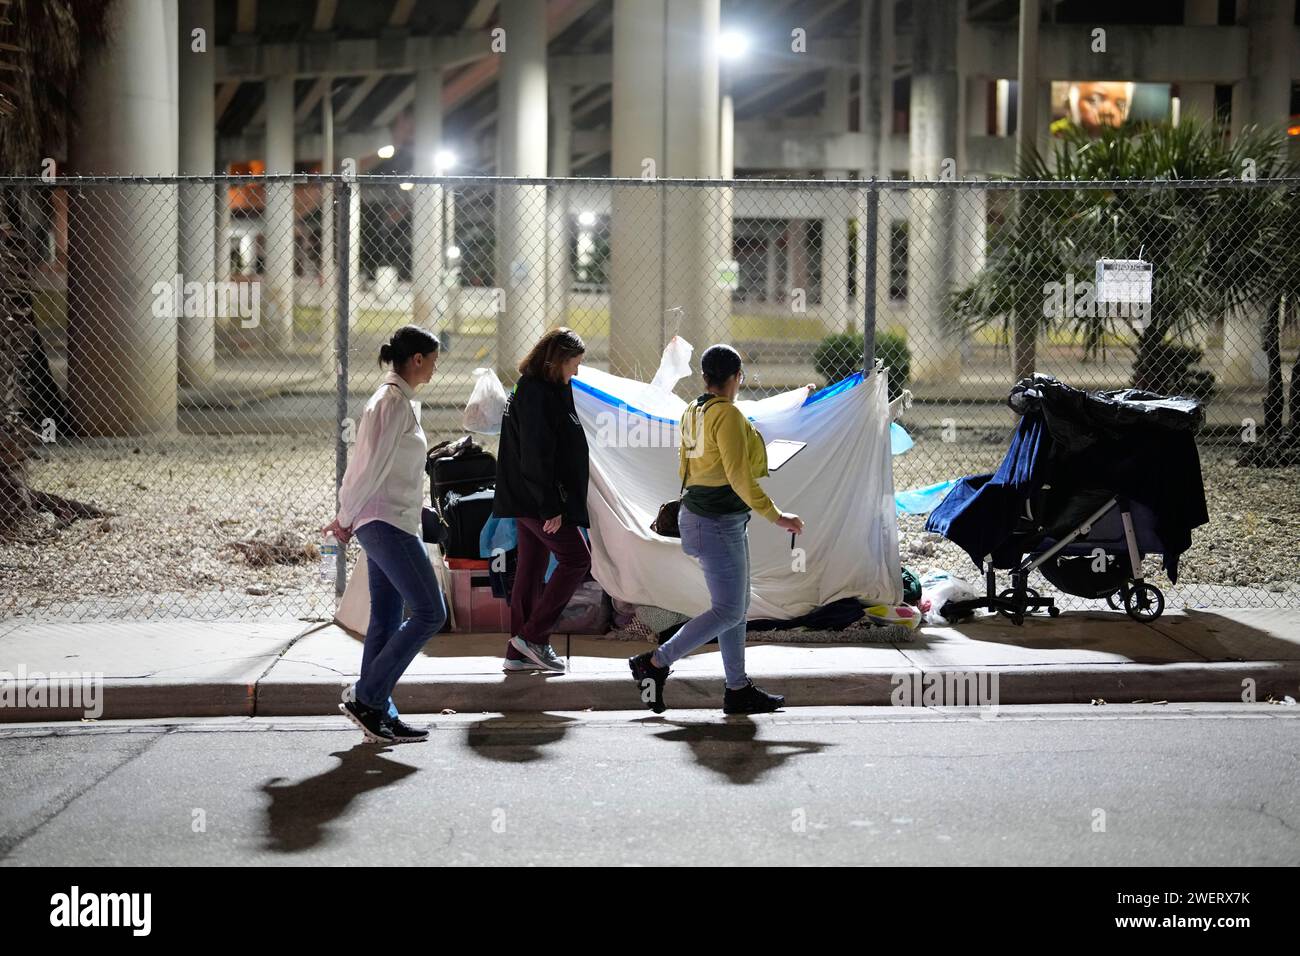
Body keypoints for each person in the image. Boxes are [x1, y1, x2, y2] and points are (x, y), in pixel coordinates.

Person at [630, 344, 804, 715]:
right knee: (728, 611)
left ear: (706, 377)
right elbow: (739, 477)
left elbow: (701, 468)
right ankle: (655, 663)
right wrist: (778, 517)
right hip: (716, 523)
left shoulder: (694, 410)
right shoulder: (726, 414)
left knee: (735, 609)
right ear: (737, 377)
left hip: (706, 518)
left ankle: (737, 689)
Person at [323, 325, 446, 744]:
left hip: (389, 520)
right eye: (433, 359)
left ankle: (379, 712)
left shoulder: (398, 401)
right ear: (416, 360)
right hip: (384, 522)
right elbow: (365, 467)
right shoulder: (391, 402)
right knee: (432, 612)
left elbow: (384, 467)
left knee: (388, 618)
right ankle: (369, 696)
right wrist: (344, 518)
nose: (435, 366)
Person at [492, 327, 592, 673]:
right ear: (556, 361)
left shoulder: (538, 387)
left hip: (525, 497)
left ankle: (517, 651)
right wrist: (551, 505)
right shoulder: (536, 394)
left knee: (531, 569)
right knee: (577, 559)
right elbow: (535, 455)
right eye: (573, 364)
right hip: (536, 499)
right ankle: (533, 637)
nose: (576, 372)